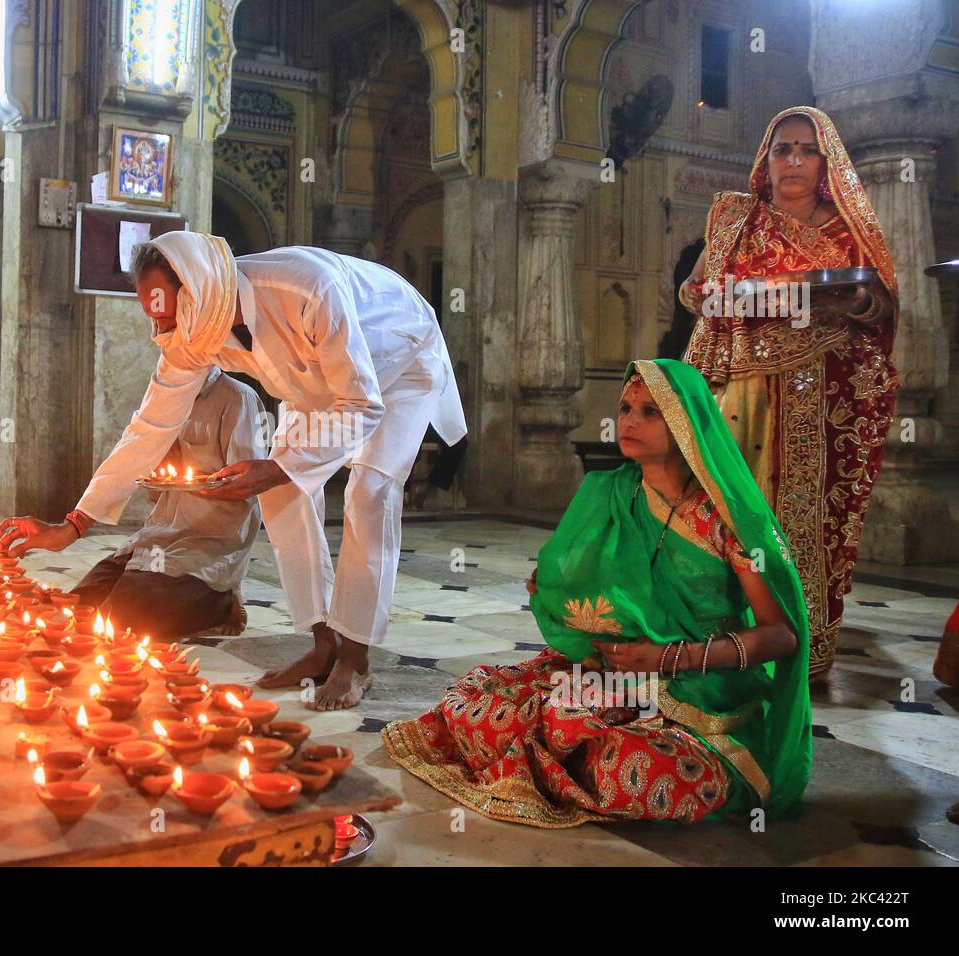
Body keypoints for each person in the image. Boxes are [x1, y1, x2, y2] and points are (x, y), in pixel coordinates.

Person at [0, 232, 467, 710]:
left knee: (368, 492)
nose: (163, 327)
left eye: (168, 312)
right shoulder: (191, 328)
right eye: (155, 315)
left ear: (197, 290)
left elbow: (360, 403)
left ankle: (356, 659)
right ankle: (324, 644)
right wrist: (74, 525)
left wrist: (278, 466)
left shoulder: (308, 290)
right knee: (284, 494)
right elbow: (150, 427)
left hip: (399, 363)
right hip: (311, 384)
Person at [383, 359, 812, 826]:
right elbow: (586, 578)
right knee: (483, 706)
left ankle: (577, 762)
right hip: (612, 675)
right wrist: (558, 588)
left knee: (633, 768)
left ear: (688, 424)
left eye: (651, 412)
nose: (628, 421)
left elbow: (781, 636)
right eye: (626, 407)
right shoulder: (613, 492)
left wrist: (670, 659)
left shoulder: (726, 520)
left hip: (702, 694)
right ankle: (564, 755)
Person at [679, 105, 898, 681]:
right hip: (734, 386)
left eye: (806, 149)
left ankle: (796, 646)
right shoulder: (734, 218)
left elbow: (881, 305)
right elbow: (695, 291)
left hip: (816, 394)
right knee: (725, 511)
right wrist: (723, 298)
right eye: (782, 149)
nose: (793, 160)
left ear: (825, 162)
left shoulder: (845, 231)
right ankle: (716, 639)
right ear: (765, 161)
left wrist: (856, 303)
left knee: (799, 520)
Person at [66, 367, 264, 640]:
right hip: (160, 535)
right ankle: (169, 591)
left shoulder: (238, 398)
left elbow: (247, 486)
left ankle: (222, 600)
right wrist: (165, 466)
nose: (162, 340)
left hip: (209, 542)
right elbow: (155, 490)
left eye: (170, 330)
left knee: (124, 615)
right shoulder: (165, 394)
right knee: (76, 605)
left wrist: (196, 481)